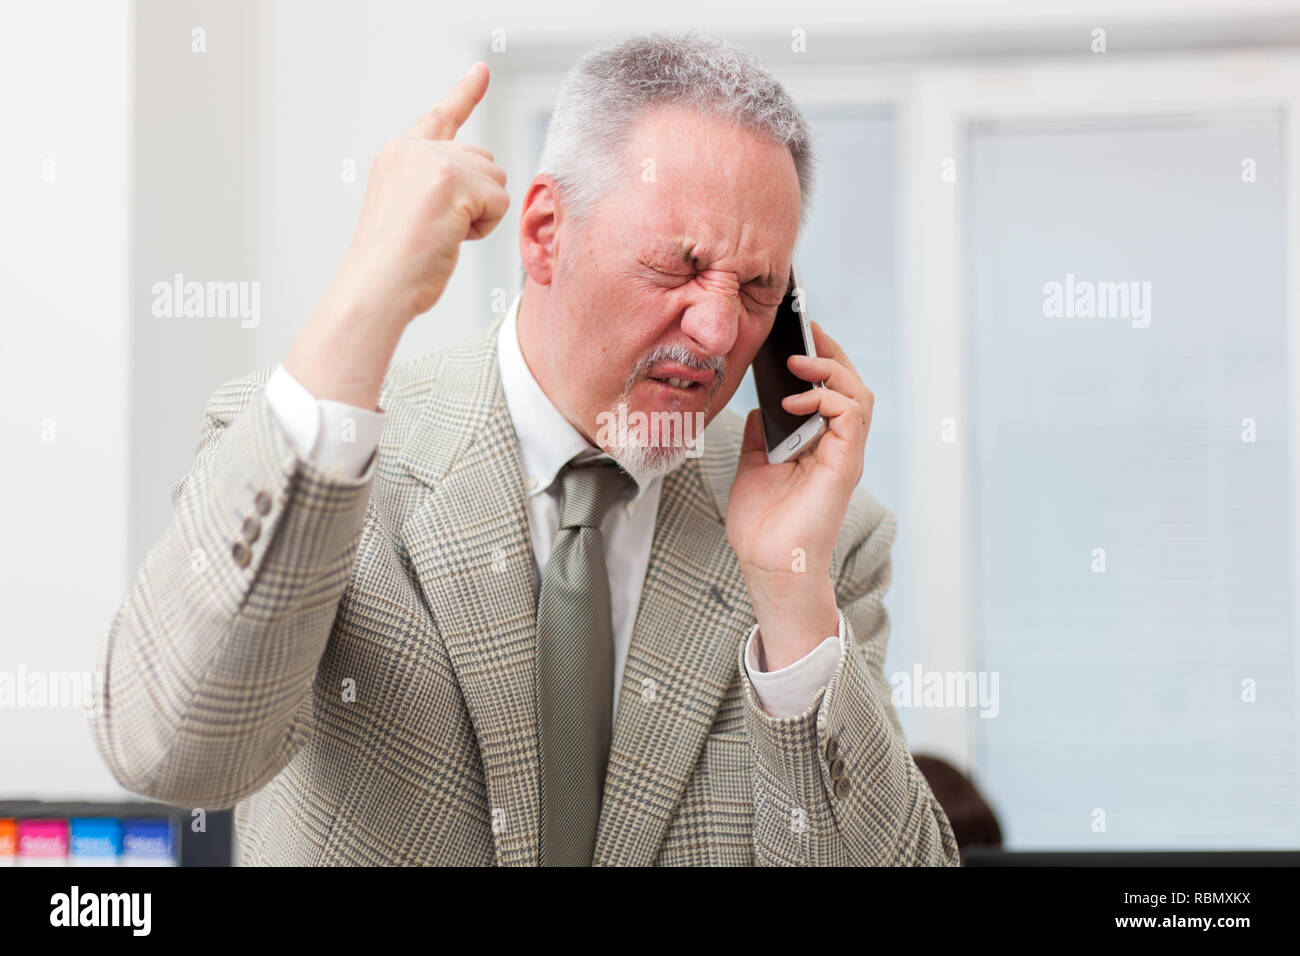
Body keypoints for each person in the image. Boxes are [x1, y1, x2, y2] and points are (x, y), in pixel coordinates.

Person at [91, 31, 959, 866]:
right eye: (680, 266)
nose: (720, 326)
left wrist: (789, 588)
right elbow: (173, 754)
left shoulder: (827, 539)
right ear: (546, 232)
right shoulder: (332, 452)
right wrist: (366, 296)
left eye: (760, 287)